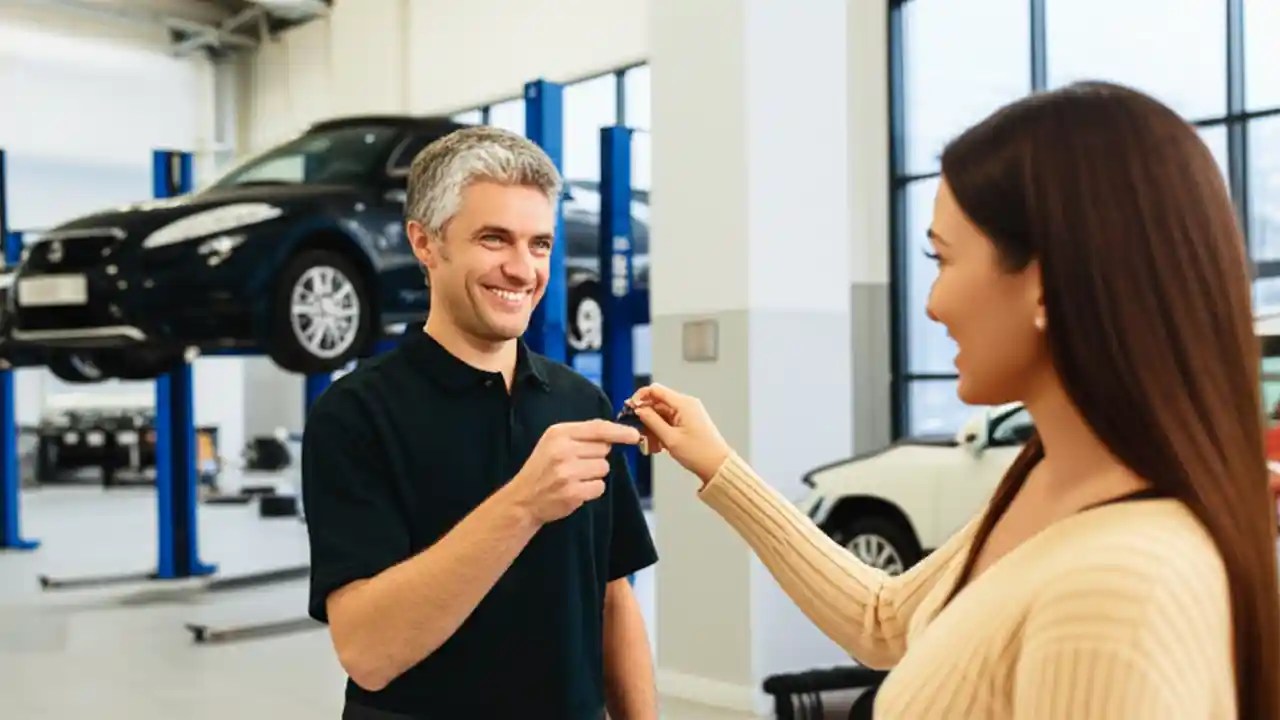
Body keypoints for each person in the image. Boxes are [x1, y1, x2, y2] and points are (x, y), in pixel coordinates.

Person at [626, 82, 1280, 719]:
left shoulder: (1119, 591)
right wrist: (719, 465)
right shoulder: (1049, 480)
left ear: (1044, 283)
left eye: (942, 259)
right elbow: (884, 622)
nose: (933, 304)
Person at [301, 125, 659, 720]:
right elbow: (368, 651)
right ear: (425, 242)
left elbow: (612, 599)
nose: (523, 270)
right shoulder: (357, 414)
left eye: (540, 244)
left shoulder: (580, 403)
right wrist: (522, 505)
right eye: (495, 239)